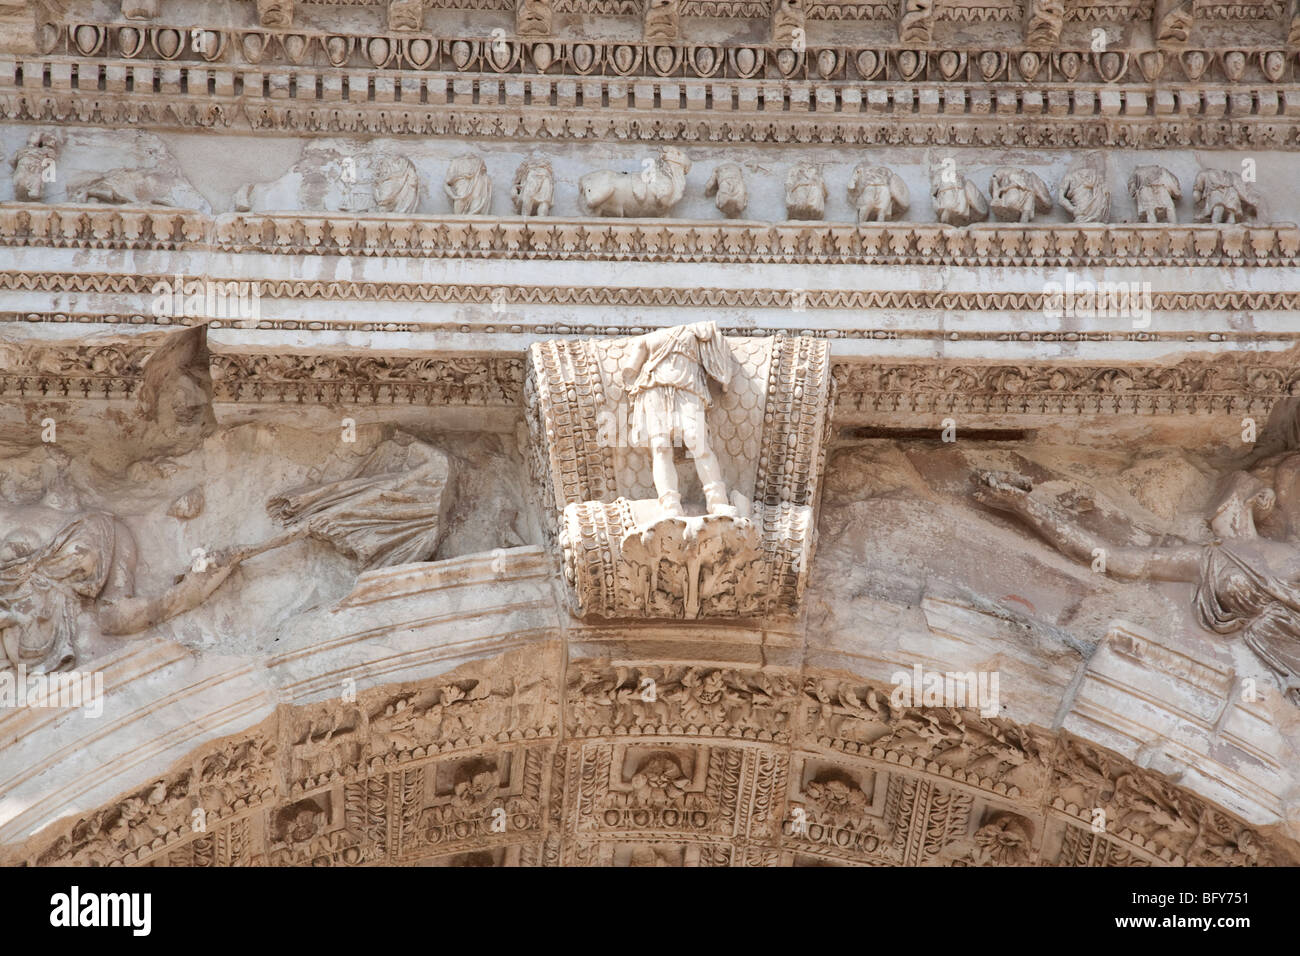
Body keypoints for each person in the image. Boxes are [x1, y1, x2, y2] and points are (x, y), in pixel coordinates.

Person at [974, 468, 1300, 704]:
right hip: (1269, 651)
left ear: (1251, 502)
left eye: (1221, 506)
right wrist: (1028, 507)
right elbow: (1113, 559)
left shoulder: (1287, 555)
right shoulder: (1206, 559)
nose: (1209, 517)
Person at [623, 321, 736, 518]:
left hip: (688, 387)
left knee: (697, 441)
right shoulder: (645, 340)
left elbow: (715, 350)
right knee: (660, 446)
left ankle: (717, 501)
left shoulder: (696, 330)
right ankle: (669, 505)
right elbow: (629, 372)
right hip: (654, 388)